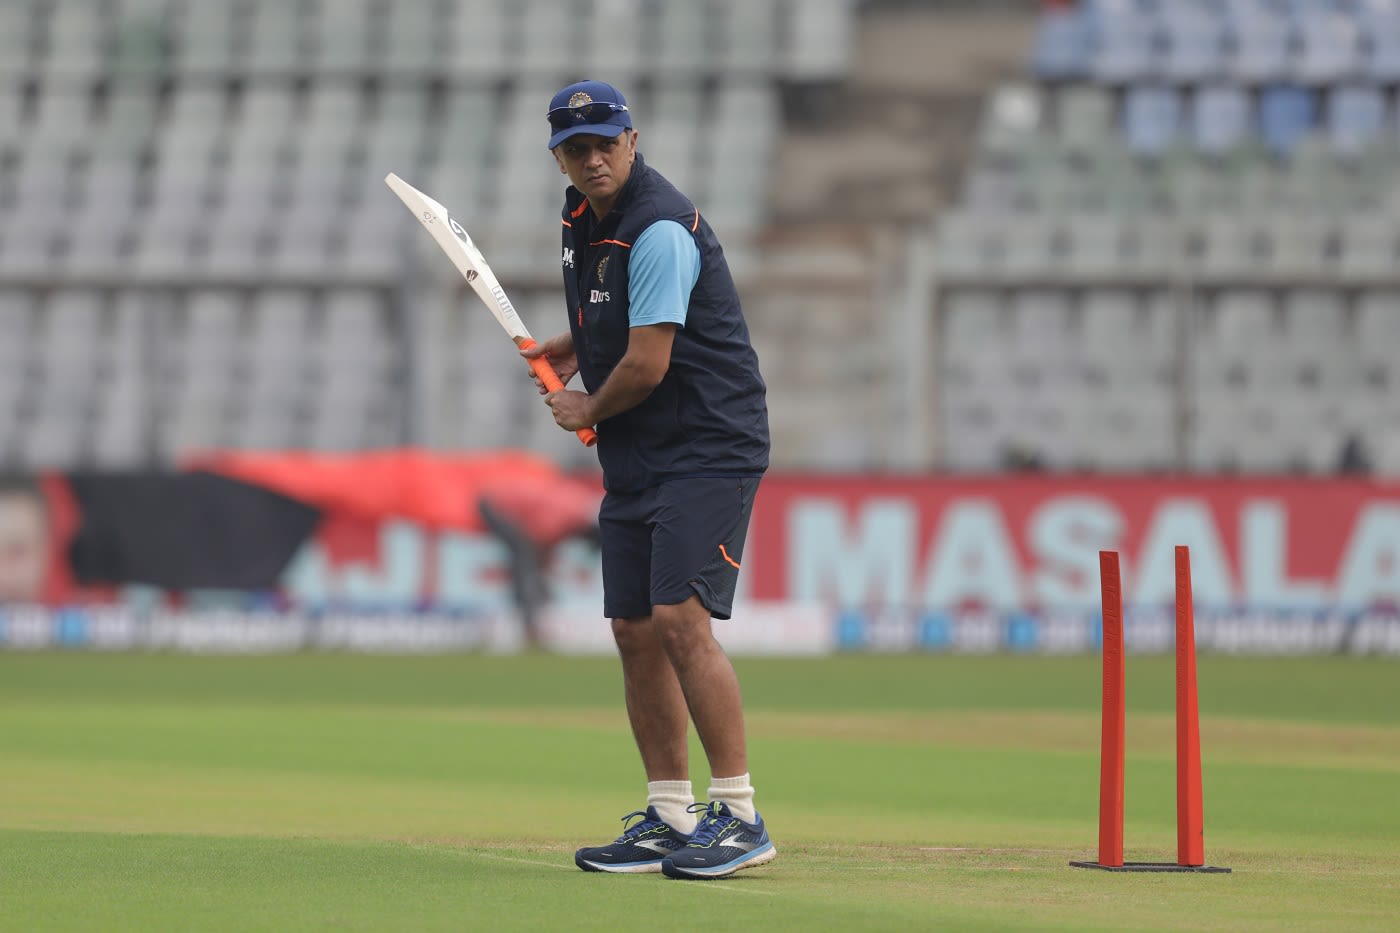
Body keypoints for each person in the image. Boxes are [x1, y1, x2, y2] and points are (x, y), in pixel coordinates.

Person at [520, 79, 775, 880]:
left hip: (707, 442)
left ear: (633, 140)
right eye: (576, 147)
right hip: (639, 452)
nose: (593, 158)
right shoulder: (580, 218)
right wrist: (571, 345)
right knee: (633, 628)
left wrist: (584, 401)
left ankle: (738, 815)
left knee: (678, 617)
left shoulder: (659, 228)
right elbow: (617, 317)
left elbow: (649, 359)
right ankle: (670, 815)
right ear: (558, 156)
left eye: (606, 142)